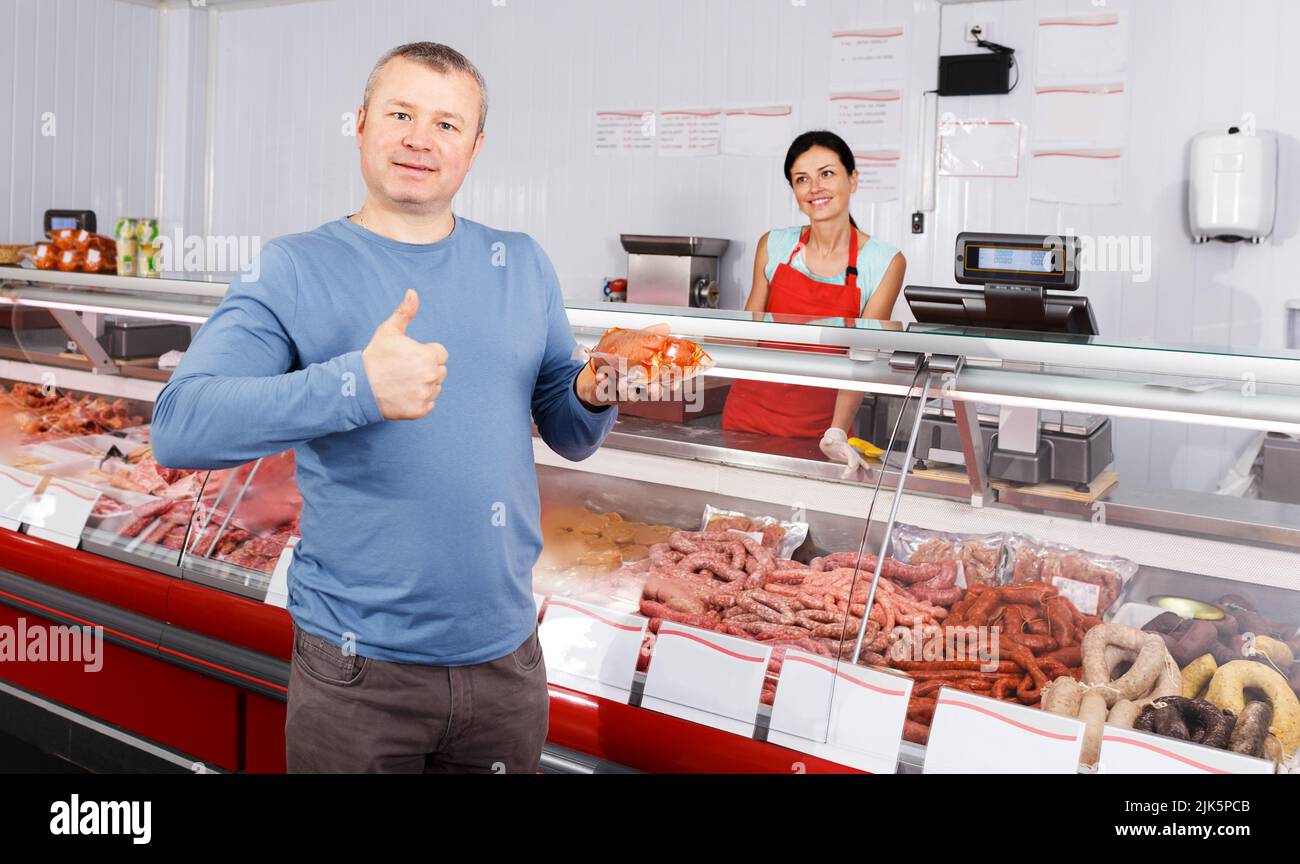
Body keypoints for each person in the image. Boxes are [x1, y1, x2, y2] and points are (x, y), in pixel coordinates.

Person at [150, 42, 661, 773]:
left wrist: (591, 390)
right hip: (358, 674)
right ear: (360, 124)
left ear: (475, 148)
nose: (422, 139)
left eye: (448, 125)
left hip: (508, 664)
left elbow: (568, 430)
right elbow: (179, 426)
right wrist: (354, 385)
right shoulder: (292, 267)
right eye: (400, 114)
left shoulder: (521, 262)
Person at [720, 130, 905, 471]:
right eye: (801, 179)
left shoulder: (884, 261)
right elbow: (746, 332)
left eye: (827, 174)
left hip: (822, 429)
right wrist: (681, 351)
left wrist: (837, 431)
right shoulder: (773, 245)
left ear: (853, 179)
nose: (815, 187)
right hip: (748, 416)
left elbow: (862, 354)